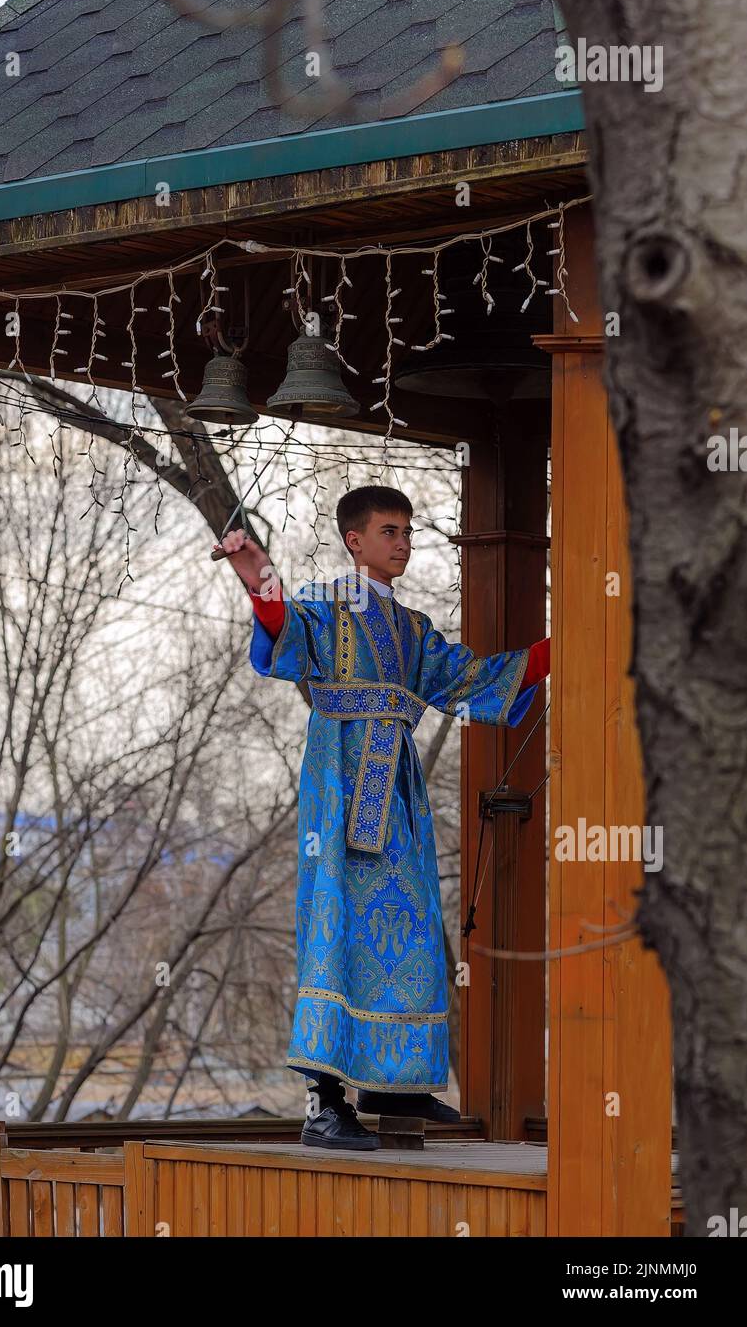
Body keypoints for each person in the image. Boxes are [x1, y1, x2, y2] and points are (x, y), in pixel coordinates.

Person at [216, 485, 549, 1150]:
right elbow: (283, 628)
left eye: (406, 531)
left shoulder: (411, 629)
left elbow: (480, 680)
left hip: (398, 799)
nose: (402, 542)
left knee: (415, 930)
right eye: (389, 531)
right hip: (337, 795)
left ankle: (392, 1082)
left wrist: (560, 645)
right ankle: (323, 1104)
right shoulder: (325, 606)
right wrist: (254, 573)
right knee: (335, 935)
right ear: (355, 541)